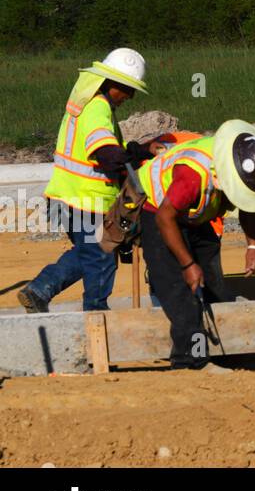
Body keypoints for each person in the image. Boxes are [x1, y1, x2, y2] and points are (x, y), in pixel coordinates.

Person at [137, 119, 255, 369]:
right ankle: (190, 360)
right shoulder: (192, 175)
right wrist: (187, 264)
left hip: (194, 214)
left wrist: (253, 246)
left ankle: (228, 350)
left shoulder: (234, 163)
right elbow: (166, 217)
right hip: (158, 213)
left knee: (214, 284)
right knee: (178, 290)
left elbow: (248, 203)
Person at [19, 48, 159, 314]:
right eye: (127, 89)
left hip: (67, 197)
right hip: (83, 200)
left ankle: (39, 290)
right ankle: (97, 317)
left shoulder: (87, 103)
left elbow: (108, 153)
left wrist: (139, 151)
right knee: (101, 258)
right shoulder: (97, 107)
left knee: (92, 253)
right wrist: (137, 157)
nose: (129, 96)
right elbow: (108, 156)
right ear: (110, 83)